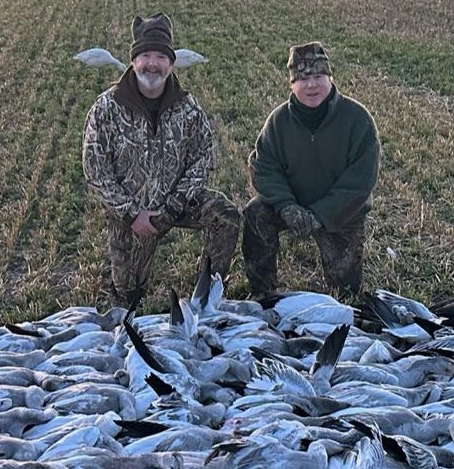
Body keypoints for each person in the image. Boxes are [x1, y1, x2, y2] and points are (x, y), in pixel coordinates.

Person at [82, 13, 239, 309]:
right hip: (132, 211)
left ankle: (206, 295)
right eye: (145, 55)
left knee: (226, 216)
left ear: (171, 63)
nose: (152, 64)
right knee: (128, 297)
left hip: (176, 203)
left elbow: (202, 157)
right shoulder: (106, 108)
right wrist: (132, 214)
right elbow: (96, 170)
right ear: (133, 61)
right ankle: (128, 291)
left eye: (160, 56)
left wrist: (174, 205)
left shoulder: (188, 108)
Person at [243, 42, 380, 300]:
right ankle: (262, 292)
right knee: (256, 212)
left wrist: (320, 214)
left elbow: (360, 181)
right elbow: (263, 166)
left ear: (330, 78)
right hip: (292, 205)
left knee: (346, 296)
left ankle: (341, 290)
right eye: (303, 79)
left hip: (340, 214)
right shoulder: (278, 121)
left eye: (318, 76)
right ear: (292, 84)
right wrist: (287, 206)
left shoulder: (357, 119)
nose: (311, 85)